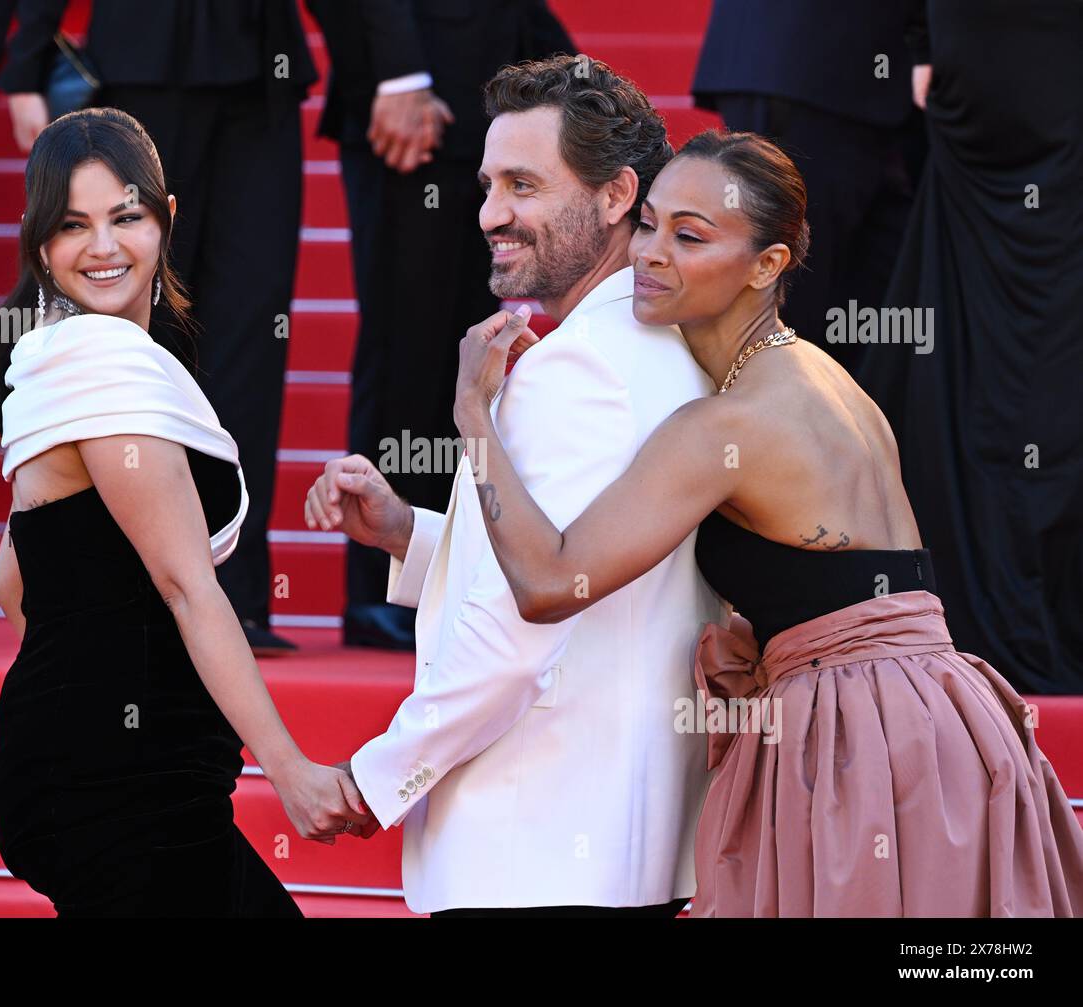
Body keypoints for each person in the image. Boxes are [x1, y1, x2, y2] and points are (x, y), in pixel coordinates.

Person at [451, 129, 1083, 916]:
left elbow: (548, 582)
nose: (651, 253)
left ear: (767, 265)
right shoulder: (822, 375)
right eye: (648, 223)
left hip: (863, 742)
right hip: (944, 720)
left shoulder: (726, 426)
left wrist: (475, 414)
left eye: (690, 237)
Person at [305, 56, 724, 917]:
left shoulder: (571, 370)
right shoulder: (669, 348)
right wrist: (410, 536)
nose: (492, 212)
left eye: (524, 185)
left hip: (532, 860)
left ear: (615, 197)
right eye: (489, 183)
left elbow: (513, 640)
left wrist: (373, 776)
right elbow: (603, 572)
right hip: (619, 856)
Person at [0, 108, 374, 917]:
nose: (103, 247)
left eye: (125, 217)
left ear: (166, 218)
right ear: (42, 244)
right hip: (129, 786)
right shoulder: (102, 364)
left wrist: (82, 684)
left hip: (94, 772)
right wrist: (289, 767)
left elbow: (13, 581)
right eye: (74, 225)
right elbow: (187, 587)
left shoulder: (59, 360)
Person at [0, 0, 318, 655]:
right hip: (139, 72)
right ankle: (128, 587)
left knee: (253, 330)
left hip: (258, 74)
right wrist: (25, 68)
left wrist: (396, 75)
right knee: (139, 322)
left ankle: (232, 593)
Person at [304, 0, 573, 649]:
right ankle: (382, 592)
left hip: (493, 86)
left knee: (469, 351)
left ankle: (451, 570)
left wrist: (568, 76)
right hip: (421, 102)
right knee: (411, 349)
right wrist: (399, 76)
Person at [858, 0, 1083, 694]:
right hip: (1012, 71)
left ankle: (982, 586)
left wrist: (925, 43)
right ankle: (1037, 592)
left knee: (984, 319)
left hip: (980, 62)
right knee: (1045, 321)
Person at [691, 0, 921, 377]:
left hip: (851, 72)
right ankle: (763, 427)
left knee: (867, 306)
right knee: (791, 292)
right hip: (810, 63)